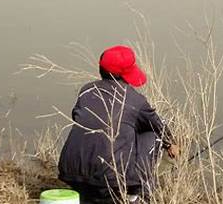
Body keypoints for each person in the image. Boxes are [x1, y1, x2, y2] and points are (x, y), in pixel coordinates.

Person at [58, 45, 179, 203]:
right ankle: (139, 195)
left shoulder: (86, 91)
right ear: (126, 75)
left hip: (71, 172)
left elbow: (77, 117)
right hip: (110, 179)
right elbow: (158, 126)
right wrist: (172, 145)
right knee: (153, 135)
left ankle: (89, 193)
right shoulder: (136, 100)